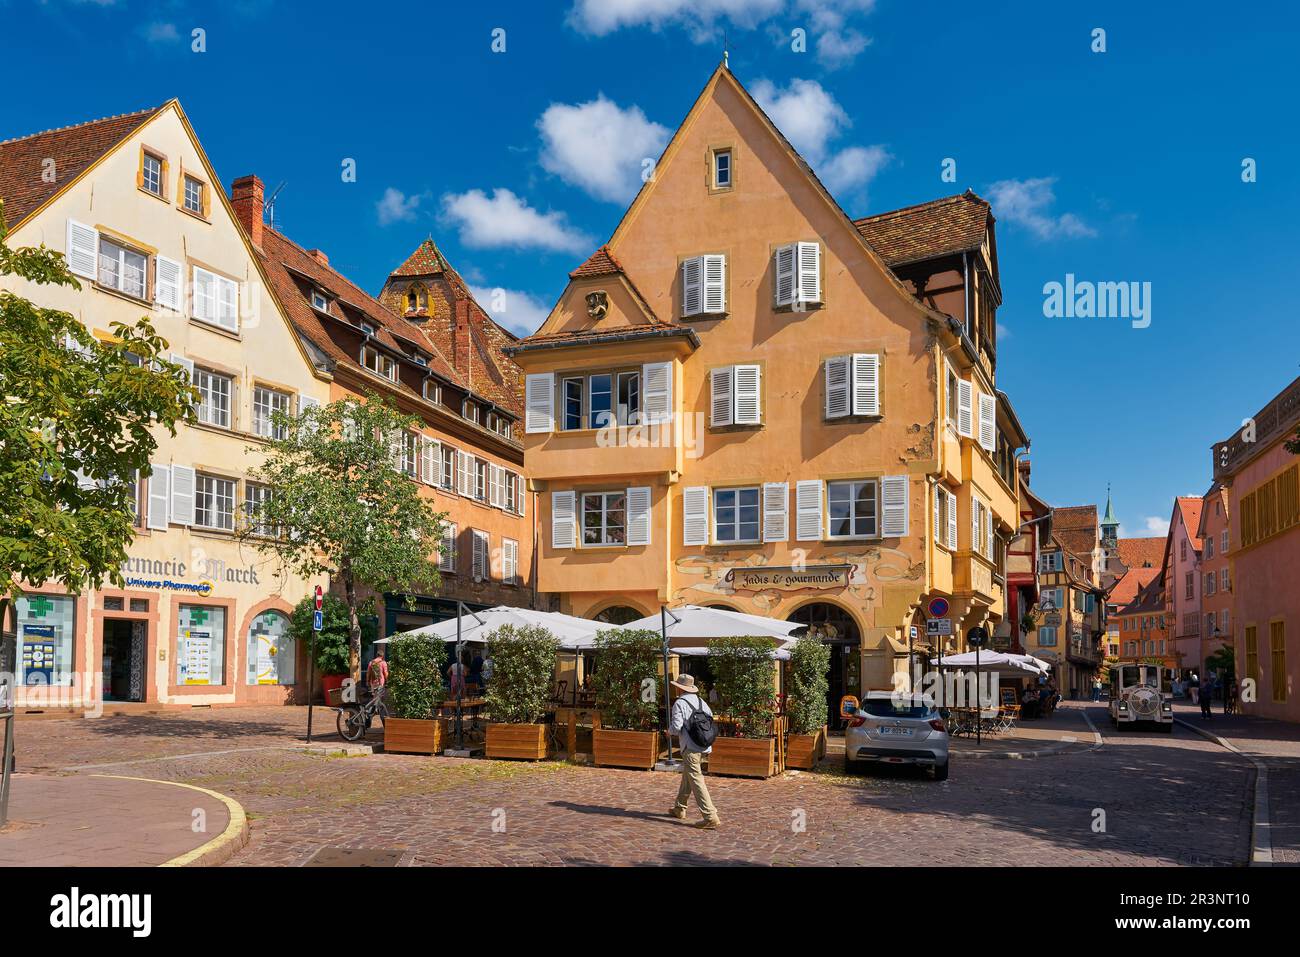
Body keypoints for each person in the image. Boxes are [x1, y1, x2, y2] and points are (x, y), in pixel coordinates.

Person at [667, 674, 720, 829]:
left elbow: (676, 727)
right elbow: (710, 719)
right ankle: (679, 808)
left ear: (679, 688)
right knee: (688, 776)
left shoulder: (679, 703)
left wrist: (669, 732)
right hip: (704, 745)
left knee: (696, 779)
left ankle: (710, 816)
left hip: (690, 747)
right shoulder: (701, 702)